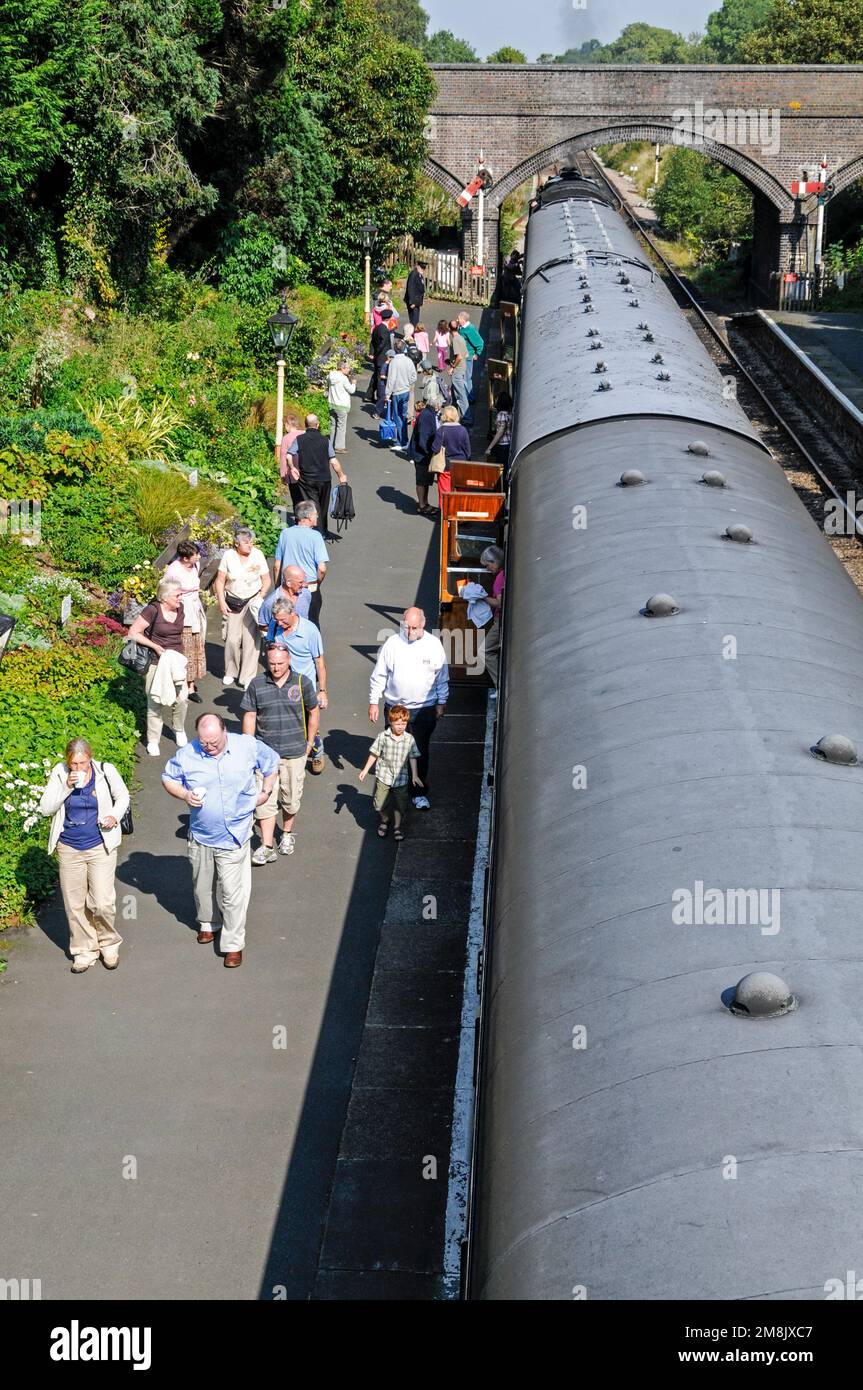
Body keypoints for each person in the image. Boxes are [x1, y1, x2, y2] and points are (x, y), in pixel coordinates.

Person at [162, 714, 278, 968]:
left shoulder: (246, 746)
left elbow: (271, 762)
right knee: (202, 886)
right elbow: (167, 777)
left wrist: (265, 792)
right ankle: (208, 923)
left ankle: (233, 944)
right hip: (202, 833)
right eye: (204, 743)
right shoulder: (187, 754)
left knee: (232, 892)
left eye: (214, 741)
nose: (210, 747)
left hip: (235, 833)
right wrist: (184, 794)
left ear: (225, 731)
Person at [38, 737, 130, 973]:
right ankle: (84, 950)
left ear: (90, 757)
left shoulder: (105, 770)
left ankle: (109, 943)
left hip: (100, 844)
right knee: (74, 904)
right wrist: (67, 786)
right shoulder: (60, 773)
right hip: (69, 846)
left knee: (102, 902)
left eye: (82, 763)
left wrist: (114, 816)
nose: (77, 768)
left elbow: (123, 797)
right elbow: (46, 807)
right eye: (73, 764)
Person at [241, 643, 319, 864]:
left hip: (295, 752)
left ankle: (286, 833)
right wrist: (250, 748)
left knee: (291, 799)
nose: (275, 668)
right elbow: (250, 716)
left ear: (289, 661)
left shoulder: (302, 682)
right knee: (264, 799)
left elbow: (313, 712)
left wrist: (310, 742)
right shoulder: (256, 684)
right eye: (272, 663)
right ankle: (266, 846)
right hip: (265, 755)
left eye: (280, 664)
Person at [369, 607, 448, 811]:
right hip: (395, 708)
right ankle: (393, 788)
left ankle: (418, 793)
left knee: (419, 752)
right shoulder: (393, 644)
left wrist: (441, 702)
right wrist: (373, 702)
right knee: (392, 751)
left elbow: (442, 677)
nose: (409, 631)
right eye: (406, 626)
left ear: (423, 623)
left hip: (424, 709)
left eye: (414, 627)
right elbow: (379, 675)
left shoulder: (433, 645)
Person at [127, 577, 190, 755]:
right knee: (155, 701)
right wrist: (155, 646)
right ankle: (153, 739)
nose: (180, 598)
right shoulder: (152, 610)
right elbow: (133, 632)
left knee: (182, 698)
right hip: (156, 661)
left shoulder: (181, 608)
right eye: (177, 595)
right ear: (165, 597)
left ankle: (178, 729)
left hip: (176, 660)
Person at [265, 595, 328, 774]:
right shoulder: (275, 626)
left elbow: (320, 662)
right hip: (282, 682)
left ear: (293, 612)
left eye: (283, 620)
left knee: (307, 722)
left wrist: (322, 690)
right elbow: (271, 648)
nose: (280, 624)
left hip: (304, 684)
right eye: (277, 620)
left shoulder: (310, 631)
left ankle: (316, 752)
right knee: (285, 720)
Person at [213, 527, 271, 692]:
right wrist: (221, 601)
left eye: (251, 542)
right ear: (237, 543)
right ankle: (231, 670)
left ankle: (248, 676)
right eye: (246, 542)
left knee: (251, 640)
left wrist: (261, 595)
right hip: (233, 601)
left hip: (252, 600)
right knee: (232, 639)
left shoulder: (258, 554)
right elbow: (220, 581)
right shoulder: (228, 556)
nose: (250, 545)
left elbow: (266, 579)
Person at [359, 704, 422, 840]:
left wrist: (415, 775)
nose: (401, 726)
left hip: (401, 778)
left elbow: (413, 757)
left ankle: (397, 827)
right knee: (378, 803)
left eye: (403, 723)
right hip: (384, 776)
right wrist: (365, 769)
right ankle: (385, 819)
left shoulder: (409, 739)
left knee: (401, 804)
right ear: (390, 722)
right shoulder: (383, 737)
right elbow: (374, 754)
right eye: (397, 723)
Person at [284, 414, 348, 535]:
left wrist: (292, 468)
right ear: (317, 425)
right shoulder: (325, 440)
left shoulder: (299, 439)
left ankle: (318, 531)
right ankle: (322, 530)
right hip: (324, 479)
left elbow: (288, 455)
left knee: (313, 504)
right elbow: (333, 461)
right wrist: (341, 475)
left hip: (307, 479)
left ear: (305, 425)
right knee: (323, 505)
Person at [273, 501, 328, 626]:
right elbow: (322, 569)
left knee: (285, 624)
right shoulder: (316, 536)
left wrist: (277, 587)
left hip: (287, 588)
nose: (317, 517)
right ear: (308, 516)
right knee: (311, 625)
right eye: (315, 514)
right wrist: (317, 583)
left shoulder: (285, 533)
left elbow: (277, 566)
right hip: (308, 587)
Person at [163, 539, 206, 702]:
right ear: (185, 558)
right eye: (195, 555)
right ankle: (184, 686)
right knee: (186, 648)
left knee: (197, 646)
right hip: (183, 611)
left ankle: (191, 684)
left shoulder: (195, 566)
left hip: (195, 608)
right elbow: (166, 592)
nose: (199, 557)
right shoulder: (174, 570)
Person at [407, 378, 443, 517]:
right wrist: (429, 451)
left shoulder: (428, 413)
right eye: (440, 405)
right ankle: (422, 505)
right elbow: (423, 437)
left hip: (423, 453)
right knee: (422, 480)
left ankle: (425, 503)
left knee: (426, 480)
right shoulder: (427, 416)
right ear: (436, 405)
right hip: (422, 455)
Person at [430, 403, 471, 496]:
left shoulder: (441, 430)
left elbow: (435, 448)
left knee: (445, 492)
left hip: (446, 465)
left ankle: (445, 510)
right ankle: (460, 509)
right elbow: (468, 451)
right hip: (461, 464)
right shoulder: (463, 430)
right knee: (462, 491)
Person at [384, 341, 417, 452]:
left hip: (397, 392)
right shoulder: (409, 361)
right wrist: (408, 383)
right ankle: (404, 440)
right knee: (403, 416)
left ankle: (401, 441)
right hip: (406, 391)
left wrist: (387, 394)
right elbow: (414, 376)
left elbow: (391, 379)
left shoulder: (394, 362)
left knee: (397, 417)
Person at [480, 544, 505, 691]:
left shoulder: (499, 578)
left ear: (494, 561)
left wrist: (482, 597)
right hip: (500, 619)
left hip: (499, 620)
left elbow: (499, 603)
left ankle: (500, 686)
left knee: (484, 651)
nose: (487, 569)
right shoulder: (503, 574)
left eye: (487, 565)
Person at [327, 358, 356, 453]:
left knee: (333, 425)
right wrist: (354, 383)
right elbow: (351, 390)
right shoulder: (343, 378)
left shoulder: (330, 375)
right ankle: (339, 447)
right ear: (342, 368)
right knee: (341, 427)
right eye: (347, 368)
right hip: (342, 405)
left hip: (332, 403)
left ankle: (331, 444)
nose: (349, 369)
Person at [457, 311, 484, 407]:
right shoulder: (462, 328)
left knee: (466, 378)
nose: (457, 320)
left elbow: (480, 342)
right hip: (463, 356)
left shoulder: (470, 329)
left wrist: (477, 354)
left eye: (458, 319)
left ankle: (470, 398)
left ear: (463, 320)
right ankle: (466, 396)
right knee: (464, 377)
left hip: (467, 357)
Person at [448, 317, 471, 423]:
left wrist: (452, 367)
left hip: (457, 370)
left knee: (460, 394)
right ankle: (453, 414)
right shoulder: (461, 338)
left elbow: (459, 357)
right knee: (454, 393)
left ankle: (467, 417)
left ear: (449, 329)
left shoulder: (456, 340)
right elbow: (466, 354)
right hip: (462, 368)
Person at [486, 391, 513, 467]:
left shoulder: (501, 415)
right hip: (508, 444)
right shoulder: (509, 413)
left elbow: (500, 432)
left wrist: (490, 447)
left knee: (499, 467)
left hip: (503, 445)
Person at [278, 412, 304, 483]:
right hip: (307, 468)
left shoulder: (285, 438)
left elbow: (283, 458)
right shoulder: (304, 433)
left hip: (293, 468)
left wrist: (283, 475)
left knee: (295, 491)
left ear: (287, 425)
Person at [405, 261, 427, 328]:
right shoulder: (414, 274)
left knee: (415, 319)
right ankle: (413, 335)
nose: (423, 270)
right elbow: (410, 288)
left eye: (424, 268)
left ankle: (413, 334)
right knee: (414, 320)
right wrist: (412, 302)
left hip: (417, 301)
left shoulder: (419, 274)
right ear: (417, 266)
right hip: (414, 301)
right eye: (422, 268)